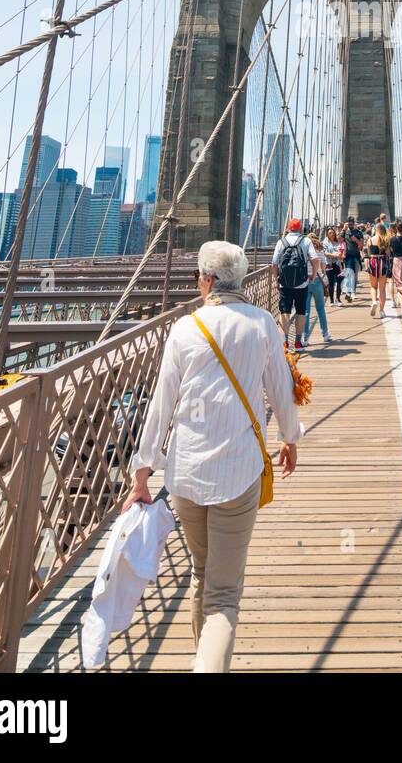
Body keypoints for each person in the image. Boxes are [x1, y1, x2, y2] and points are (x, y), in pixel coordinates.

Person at [123, 240, 301, 673]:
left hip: (184, 476)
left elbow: (161, 405)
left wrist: (141, 474)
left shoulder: (185, 329)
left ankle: (203, 657)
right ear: (239, 280)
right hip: (238, 475)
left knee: (202, 575)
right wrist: (290, 437)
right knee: (224, 593)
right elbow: (281, 390)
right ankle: (208, 664)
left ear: (205, 280)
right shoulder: (263, 326)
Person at [271, 218, 318, 353]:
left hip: (285, 284)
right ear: (301, 228)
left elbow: (274, 264)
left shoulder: (281, 242)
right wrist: (313, 276)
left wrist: (276, 280)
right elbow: (315, 260)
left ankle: (285, 342)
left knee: (284, 311)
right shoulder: (306, 241)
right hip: (302, 284)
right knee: (301, 312)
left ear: (288, 228)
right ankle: (297, 343)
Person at [303, 232, 333, 346]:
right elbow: (323, 267)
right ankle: (325, 334)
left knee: (306, 311)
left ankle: (305, 338)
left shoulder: (304, 251)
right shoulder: (320, 251)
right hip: (317, 282)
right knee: (320, 309)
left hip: (306, 281)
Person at [366, 222, 389, 317]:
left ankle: (374, 301)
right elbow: (388, 254)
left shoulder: (370, 240)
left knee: (373, 286)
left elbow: (368, 253)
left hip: (373, 263)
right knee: (382, 289)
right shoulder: (386, 240)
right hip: (383, 263)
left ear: (375, 230)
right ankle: (382, 311)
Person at [323, 226, 344, 307]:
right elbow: (325, 253)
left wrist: (336, 254)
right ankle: (331, 300)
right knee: (331, 283)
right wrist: (334, 255)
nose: (331, 234)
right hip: (329, 265)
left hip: (338, 264)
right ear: (327, 234)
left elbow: (340, 252)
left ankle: (338, 299)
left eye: (333, 233)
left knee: (339, 282)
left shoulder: (338, 241)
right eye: (329, 233)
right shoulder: (325, 242)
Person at [342, 223, 362, 301]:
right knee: (348, 274)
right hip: (347, 256)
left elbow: (361, 245)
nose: (351, 225)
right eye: (349, 223)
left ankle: (353, 292)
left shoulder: (359, 233)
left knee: (355, 275)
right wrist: (343, 228)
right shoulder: (345, 233)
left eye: (352, 223)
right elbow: (338, 238)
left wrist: (356, 240)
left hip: (356, 256)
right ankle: (348, 292)